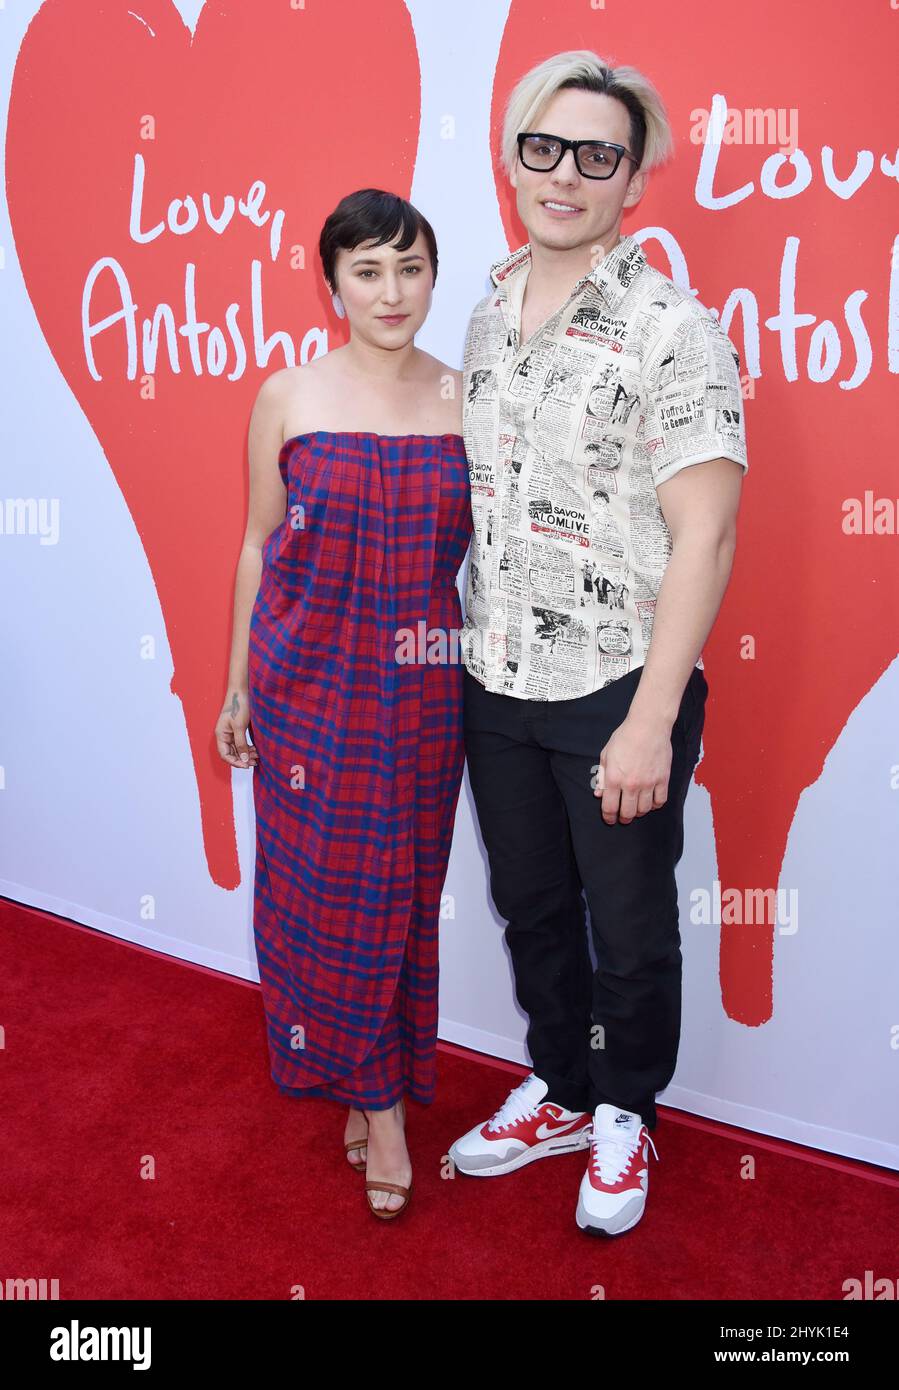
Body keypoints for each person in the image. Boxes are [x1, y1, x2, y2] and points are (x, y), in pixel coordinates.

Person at [449, 51, 749, 1236]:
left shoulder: (673, 326)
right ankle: (561, 1090)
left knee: (625, 926)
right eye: (545, 147)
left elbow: (707, 534)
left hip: (615, 684)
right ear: (514, 156)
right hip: (492, 673)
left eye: (597, 155)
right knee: (529, 906)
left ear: (633, 182)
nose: (564, 174)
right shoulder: (482, 307)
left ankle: (626, 1112)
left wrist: (647, 718)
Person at [215, 189, 472, 1219]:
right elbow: (255, 544)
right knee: (315, 892)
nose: (390, 290)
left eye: (409, 267)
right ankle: (379, 1103)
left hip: (423, 690)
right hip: (304, 687)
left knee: (398, 892)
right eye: (367, 270)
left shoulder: (466, 397)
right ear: (330, 285)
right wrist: (235, 680)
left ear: (432, 277)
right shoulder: (286, 396)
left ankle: (372, 1084)